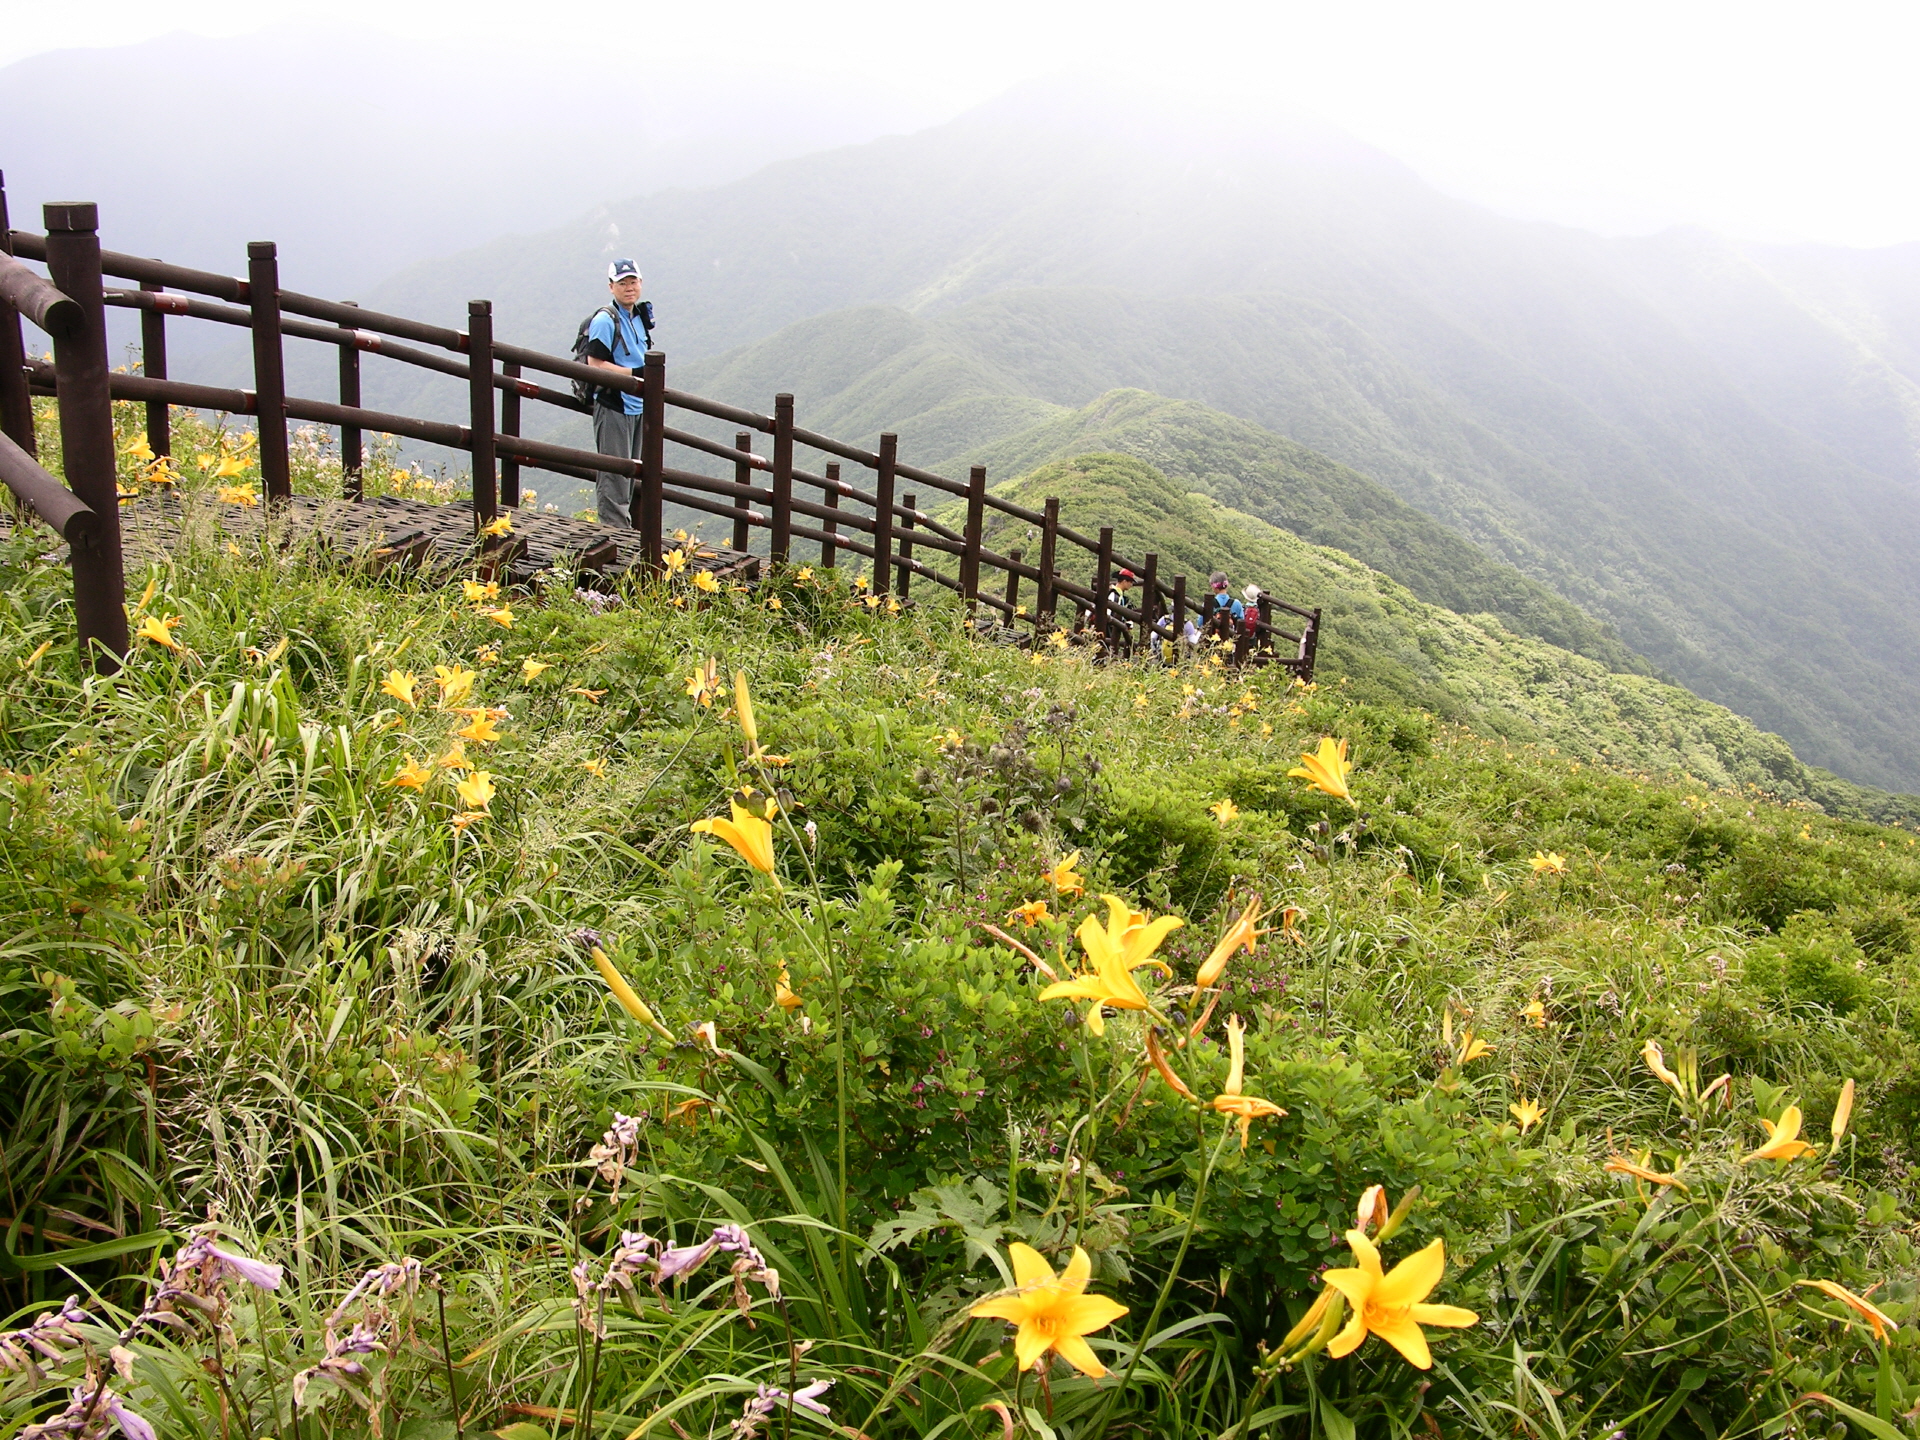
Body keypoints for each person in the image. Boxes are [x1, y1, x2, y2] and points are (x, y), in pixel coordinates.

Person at [585, 258, 654, 527]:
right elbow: (596, 364)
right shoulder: (605, 320)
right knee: (615, 474)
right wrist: (635, 374)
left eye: (633, 282)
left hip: (638, 404)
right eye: (622, 283)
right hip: (614, 403)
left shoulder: (639, 317)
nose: (629, 288)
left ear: (641, 283)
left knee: (631, 472)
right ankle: (614, 536)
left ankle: (625, 532)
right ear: (611, 287)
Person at [1198, 571, 1244, 645]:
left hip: (1212, 643)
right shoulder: (1237, 603)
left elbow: (1200, 623)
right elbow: (1241, 624)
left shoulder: (1208, 603)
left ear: (1213, 586)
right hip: (1230, 643)